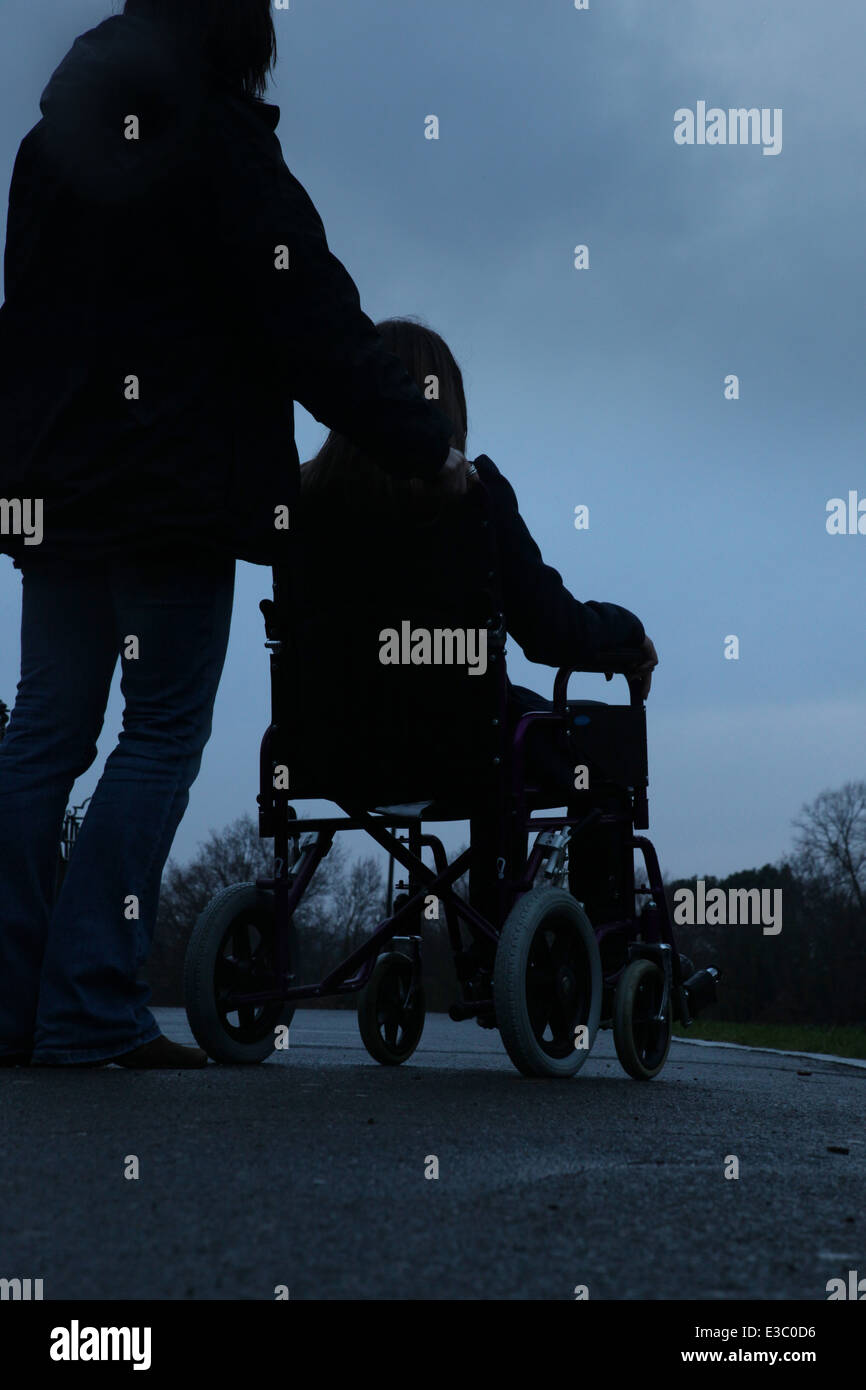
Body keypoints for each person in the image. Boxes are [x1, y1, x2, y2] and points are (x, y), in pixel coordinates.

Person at [0, 1, 466, 1068]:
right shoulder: (216, 146)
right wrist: (420, 442)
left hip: (53, 484)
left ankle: (13, 1003)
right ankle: (85, 1008)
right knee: (159, 730)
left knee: (42, 733)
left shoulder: (45, 147)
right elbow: (311, 321)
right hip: (169, 488)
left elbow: (24, 315)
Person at [292, 318, 658, 921]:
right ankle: (600, 946)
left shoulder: (302, 503)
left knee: (496, 723)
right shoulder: (475, 499)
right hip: (461, 745)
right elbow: (551, 630)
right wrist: (629, 633)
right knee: (597, 754)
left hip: (330, 748)